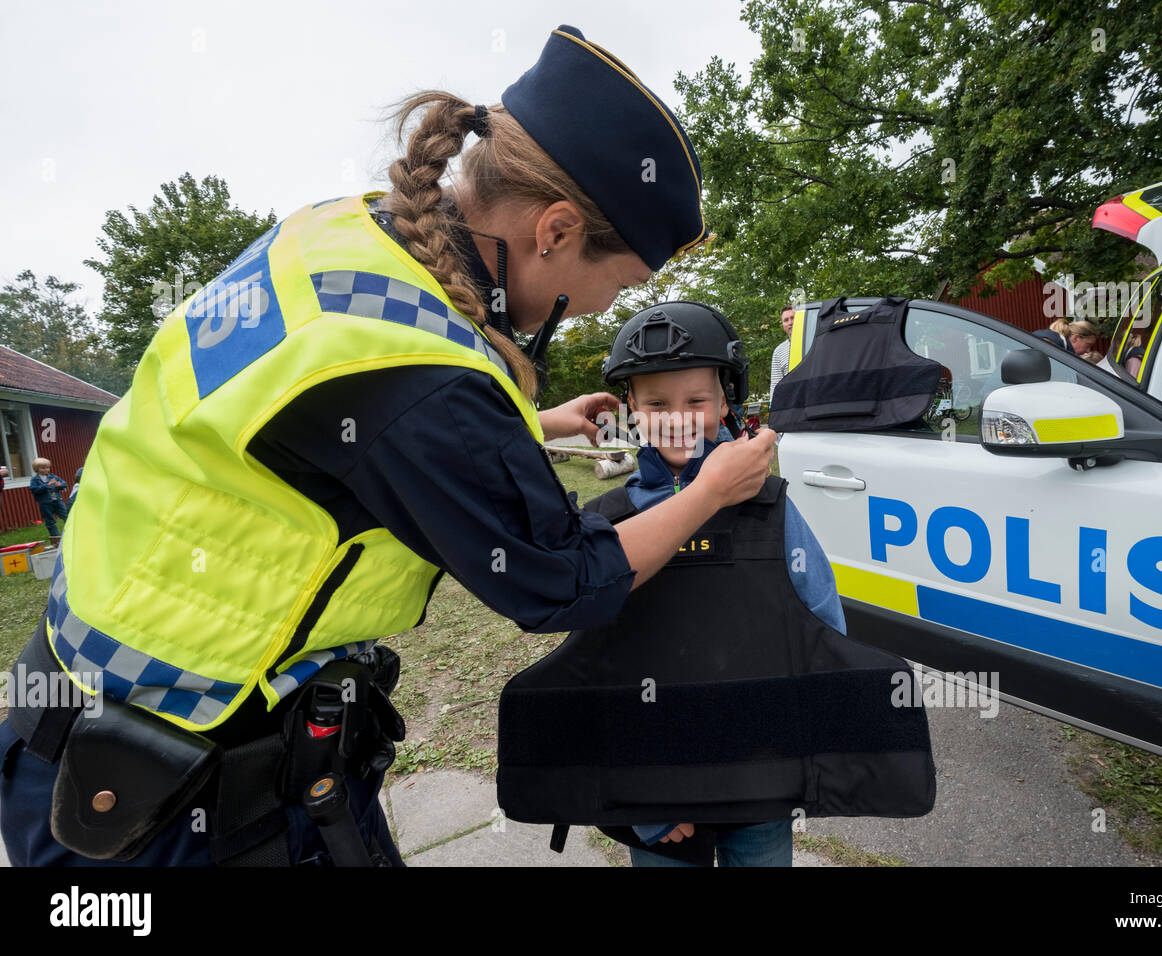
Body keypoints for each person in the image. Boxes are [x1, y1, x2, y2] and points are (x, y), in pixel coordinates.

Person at [0, 24, 776, 868]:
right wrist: (712, 489)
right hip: (174, 802)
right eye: (616, 282)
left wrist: (535, 426)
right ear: (554, 229)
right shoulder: (425, 380)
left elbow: (321, 435)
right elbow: (563, 581)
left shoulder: (339, 235)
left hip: (92, 728)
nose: (596, 308)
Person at [592, 301, 847, 867]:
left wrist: (802, 753)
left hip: (761, 773)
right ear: (630, 406)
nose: (678, 417)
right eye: (656, 402)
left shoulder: (772, 510)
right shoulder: (606, 523)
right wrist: (641, 790)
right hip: (655, 786)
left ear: (726, 402)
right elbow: (592, 666)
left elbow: (822, 626)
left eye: (696, 401)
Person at [27, 458, 68, 545]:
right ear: (37, 469)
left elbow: (64, 483)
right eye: (43, 468)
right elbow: (34, 489)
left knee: (66, 516)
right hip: (45, 503)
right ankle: (56, 539)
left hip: (57, 500)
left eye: (47, 467)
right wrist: (47, 485)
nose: (46, 469)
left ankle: (69, 534)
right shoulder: (35, 480)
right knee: (50, 521)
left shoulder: (53, 477)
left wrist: (60, 485)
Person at [769, 304, 795, 391]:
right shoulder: (779, 351)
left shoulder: (814, 342)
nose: (790, 322)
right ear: (783, 325)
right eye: (786, 320)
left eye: (793, 318)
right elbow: (775, 386)